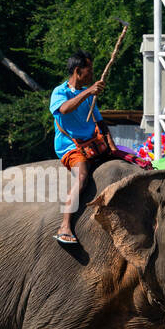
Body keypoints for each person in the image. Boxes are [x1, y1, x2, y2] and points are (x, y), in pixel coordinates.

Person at [51, 51, 116, 245]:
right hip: (70, 146)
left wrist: (111, 145)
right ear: (78, 71)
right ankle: (65, 226)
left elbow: (99, 121)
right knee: (82, 176)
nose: (93, 74)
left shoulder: (89, 94)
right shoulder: (60, 92)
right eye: (90, 70)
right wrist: (88, 91)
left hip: (92, 144)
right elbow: (63, 109)